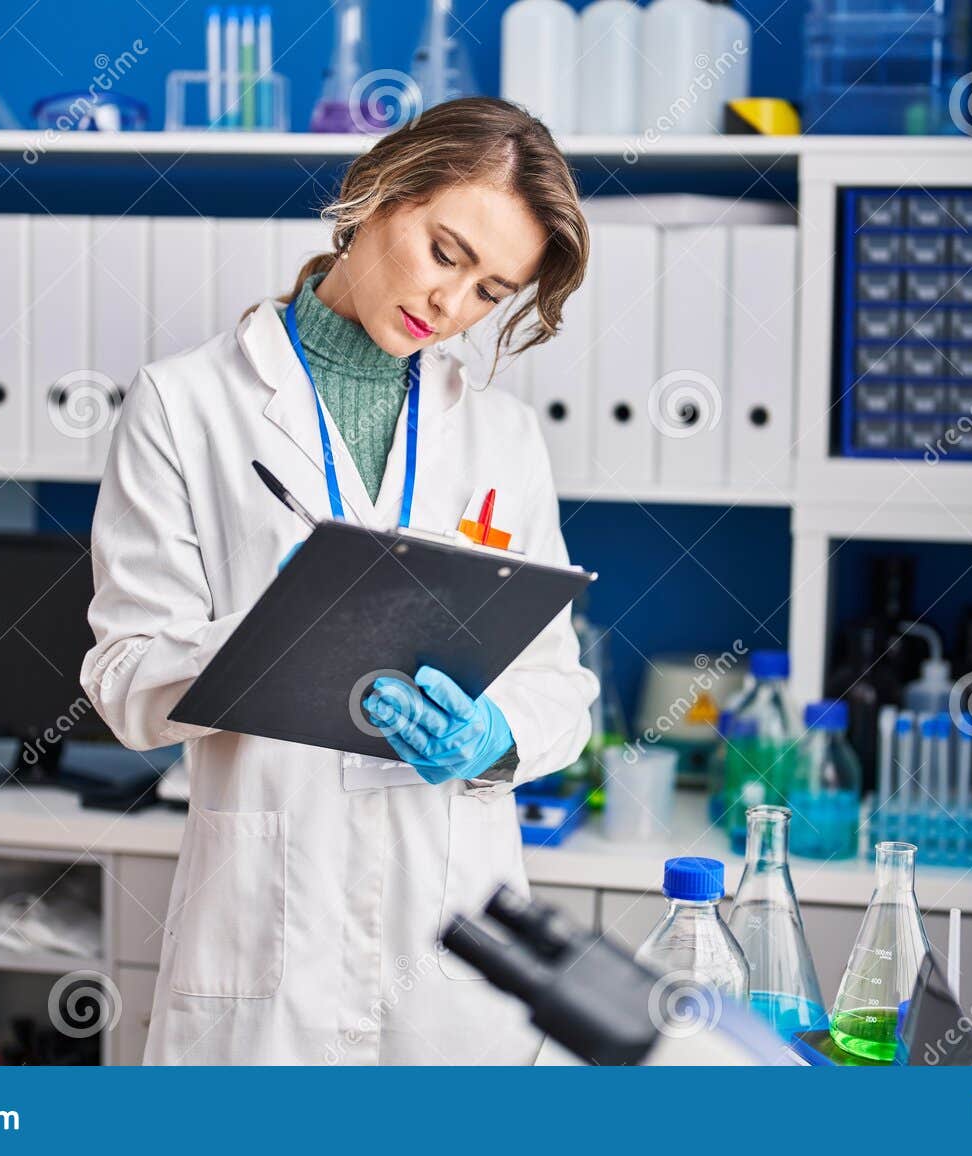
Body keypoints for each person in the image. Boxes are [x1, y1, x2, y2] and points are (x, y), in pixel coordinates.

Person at [80, 97, 599, 1065]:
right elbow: (123, 680)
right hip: (266, 960)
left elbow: (561, 686)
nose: (451, 306)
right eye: (445, 251)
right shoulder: (185, 405)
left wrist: (494, 735)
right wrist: (264, 632)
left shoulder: (501, 436)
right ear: (377, 191)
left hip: (451, 966)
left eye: (490, 290)